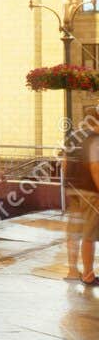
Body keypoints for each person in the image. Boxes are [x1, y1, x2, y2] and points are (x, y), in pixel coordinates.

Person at [62, 103, 99, 285]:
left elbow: (64, 163)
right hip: (90, 192)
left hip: (72, 189)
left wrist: (67, 185)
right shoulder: (95, 139)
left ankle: (72, 270)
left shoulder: (74, 136)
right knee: (89, 233)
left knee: (74, 230)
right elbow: (95, 168)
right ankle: (88, 274)